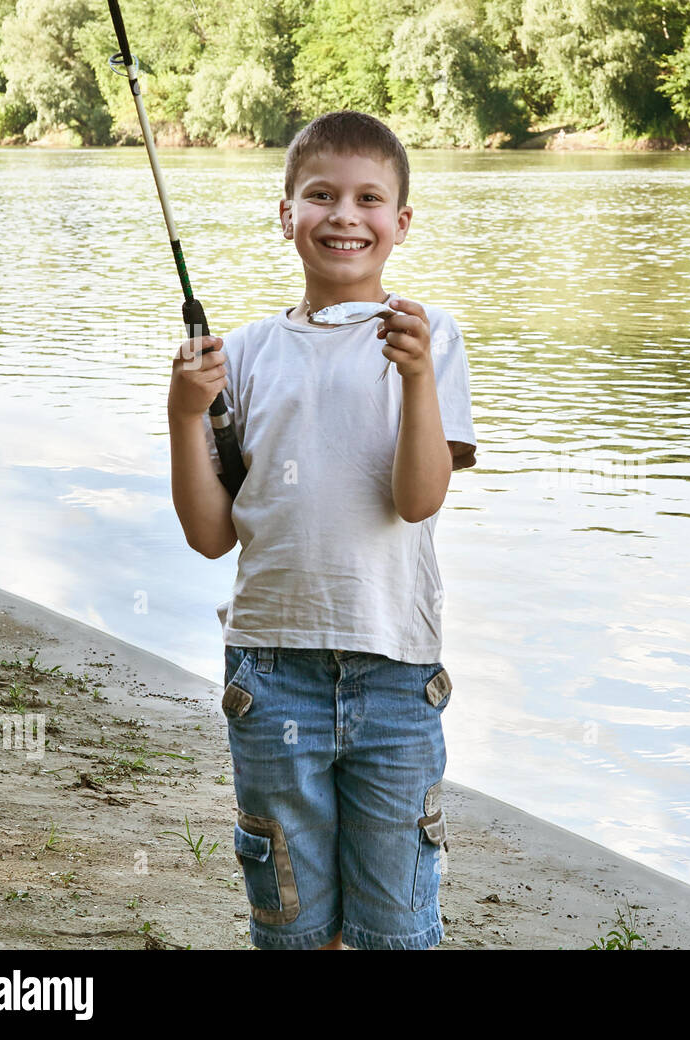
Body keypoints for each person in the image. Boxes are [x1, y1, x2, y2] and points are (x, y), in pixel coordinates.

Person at [166, 110, 477, 950]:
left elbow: (417, 500)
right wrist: (183, 414)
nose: (344, 215)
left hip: (396, 676)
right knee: (292, 923)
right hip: (271, 673)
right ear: (285, 214)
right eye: (320, 195)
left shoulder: (428, 337)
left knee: (396, 925)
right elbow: (208, 534)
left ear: (400, 223)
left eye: (369, 198)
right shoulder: (249, 355)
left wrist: (415, 382)